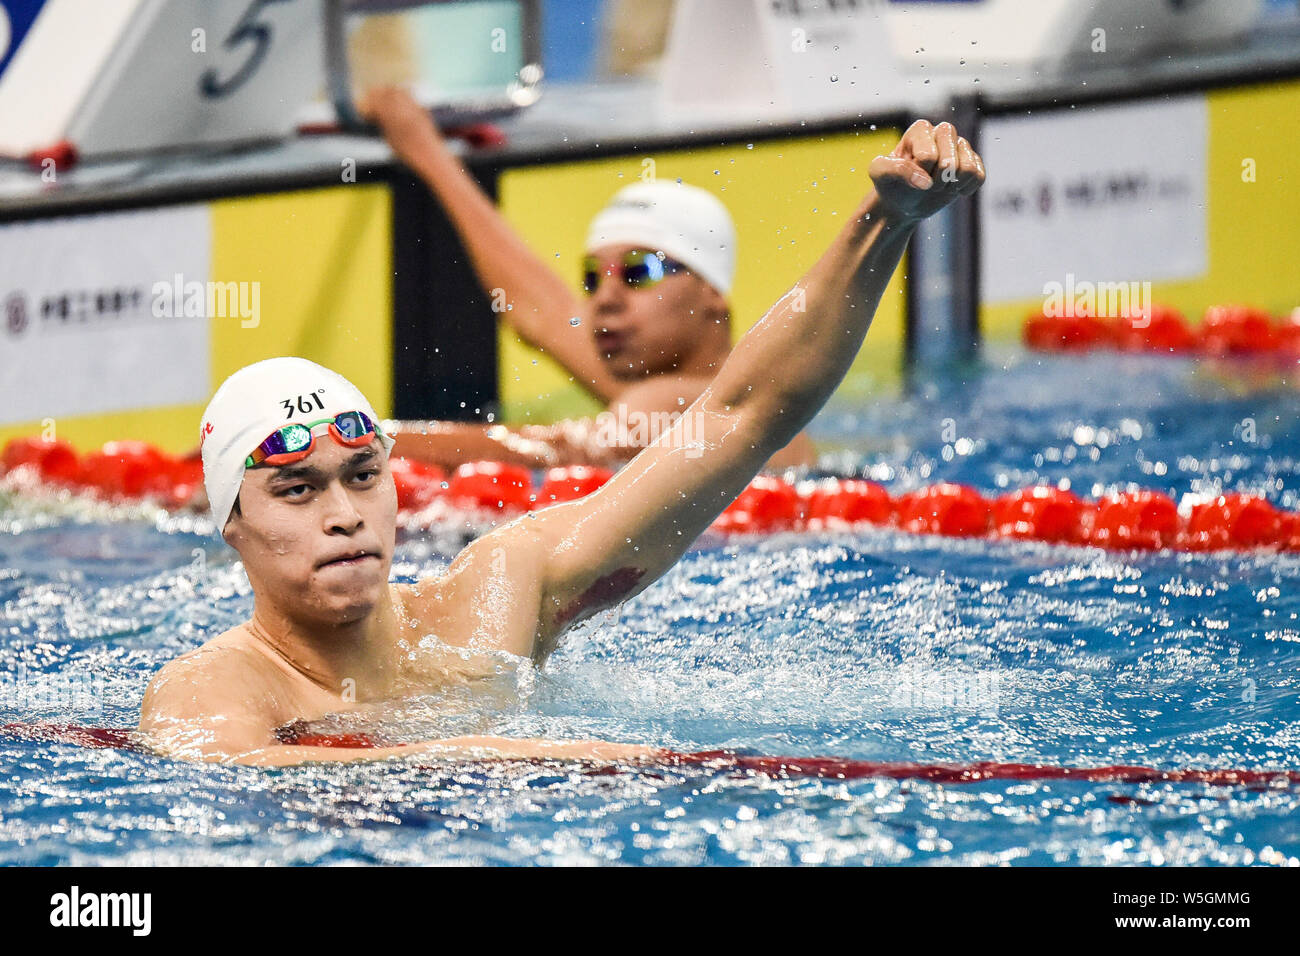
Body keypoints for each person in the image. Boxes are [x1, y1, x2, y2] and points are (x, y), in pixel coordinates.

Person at [137, 120, 984, 766]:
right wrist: (531, 758)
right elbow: (243, 778)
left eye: (364, 476)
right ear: (230, 527)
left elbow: (742, 417)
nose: (345, 515)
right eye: (296, 489)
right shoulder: (209, 690)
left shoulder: (494, 597)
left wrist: (886, 223)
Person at [357, 86, 818, 473]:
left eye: (640, 271)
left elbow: (559, 449)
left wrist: (363, 437)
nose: (605, 300)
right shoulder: (663, 394)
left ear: (712, 293)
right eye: (593, 278)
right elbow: (537, 310)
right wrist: (423, 146)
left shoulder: (687, 403)